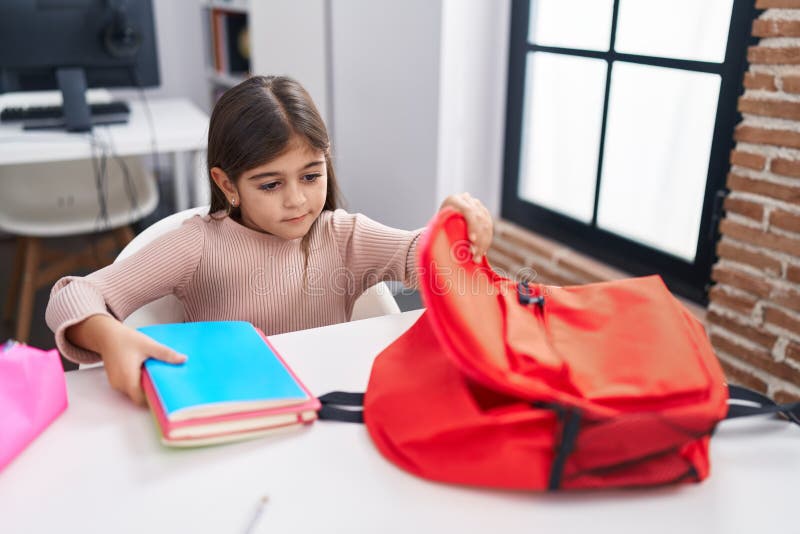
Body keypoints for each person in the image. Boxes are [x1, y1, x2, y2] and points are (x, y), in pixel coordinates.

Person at [46, 75, 493, 405]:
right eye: (270, 185)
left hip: (328, 410)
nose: (297, 201)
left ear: (326, 161)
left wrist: (455, 231)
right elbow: (74, 295)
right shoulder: (198, 246)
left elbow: (420, 256)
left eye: (311, 175)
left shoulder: (343, 235)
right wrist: (111, 337)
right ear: (227, 184)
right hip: (235, 412)